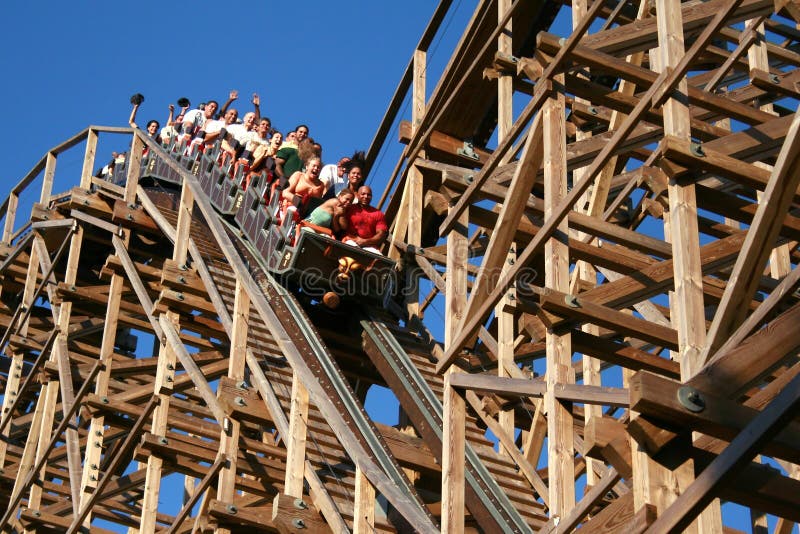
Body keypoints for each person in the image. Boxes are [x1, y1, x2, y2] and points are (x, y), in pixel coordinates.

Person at [343, 186, 388, 254]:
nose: (366, 196)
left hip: (369, 246)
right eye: (363, 194)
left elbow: (381, 235)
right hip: (349, 241)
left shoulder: (378, 214)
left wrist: (364, 241)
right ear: (357, 195)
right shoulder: (349, 208)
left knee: (379, 258)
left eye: (369, 195)